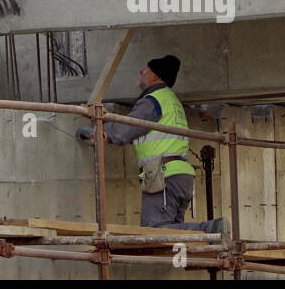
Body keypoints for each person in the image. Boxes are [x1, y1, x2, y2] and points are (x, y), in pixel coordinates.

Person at [78, 55, 228, 233]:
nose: (141, 72)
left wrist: (99, 133)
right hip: (180, 175)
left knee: (155, 230)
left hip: (163, 175)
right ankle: (207, 234)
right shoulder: (172, 101)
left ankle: (210, 229)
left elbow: (129, 127)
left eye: (145, 69)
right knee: (171, 235)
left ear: (155, 76)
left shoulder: (153, 100)